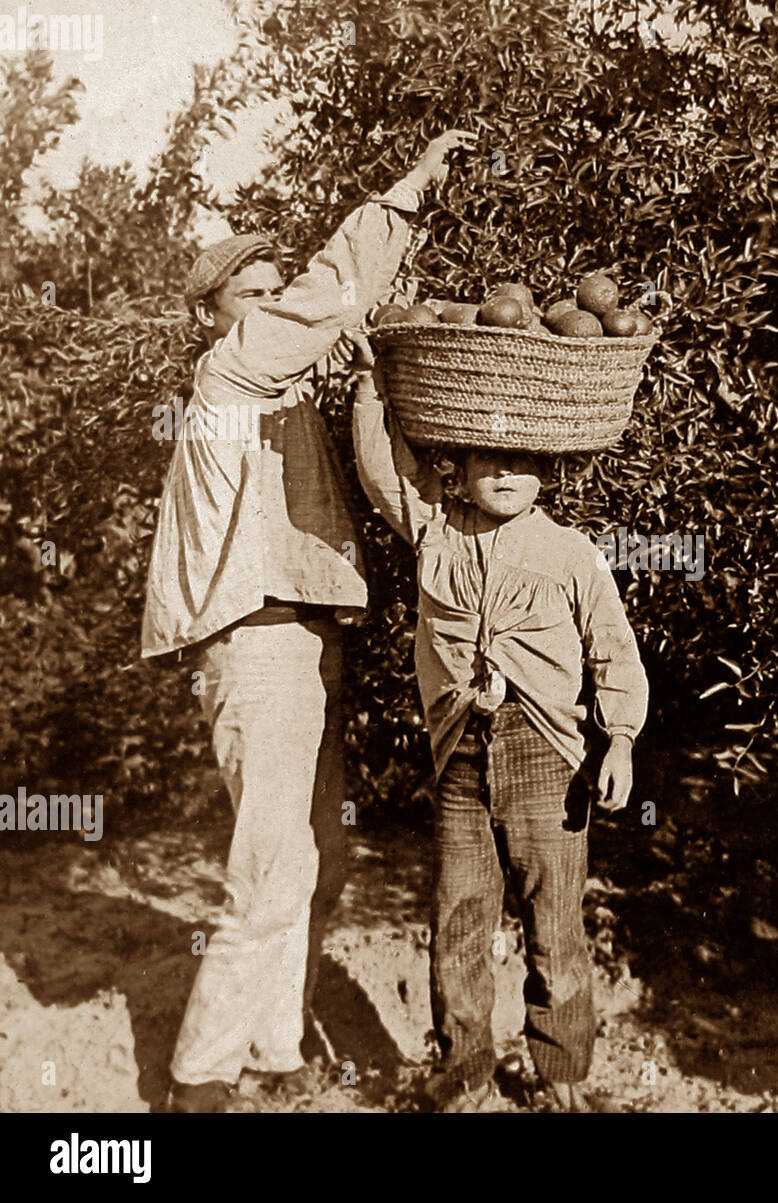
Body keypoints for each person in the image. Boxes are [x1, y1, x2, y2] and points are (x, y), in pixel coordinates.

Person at [140, 128, 476, 1113]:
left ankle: (277, 1049)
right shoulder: (226, 385)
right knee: (271, 865)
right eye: (256, 298)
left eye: (276, 292)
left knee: (317, 858)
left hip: (303, 643)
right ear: (214, 320)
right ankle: (197, 1080)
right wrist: (407, 196)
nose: (277, 309)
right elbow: (324, 295)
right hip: (254, 646)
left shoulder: (283, 402)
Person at [350, 353, 649, 1112]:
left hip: (547, 750)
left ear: (545, 469)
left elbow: (612, 646)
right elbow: (385, 470)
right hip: (461, 746)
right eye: (490, 457)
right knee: (460, 913)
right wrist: (369, 387)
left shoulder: (571, 551)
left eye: (523, 460)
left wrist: (619, 738)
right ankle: (464, 1073)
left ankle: (562, 1074)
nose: (506, 473)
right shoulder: (436, 532)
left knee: (554, 919)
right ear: (459, 465)